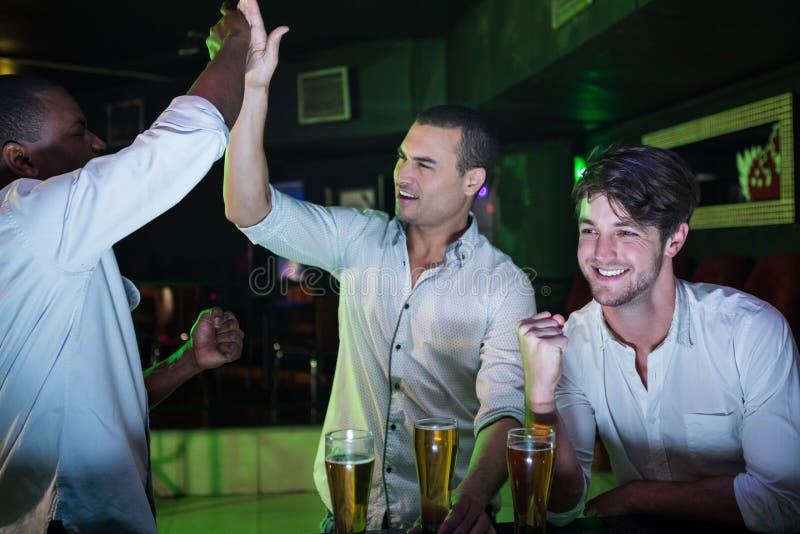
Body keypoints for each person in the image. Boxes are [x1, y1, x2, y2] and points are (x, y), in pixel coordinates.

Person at [222, 3, 534, 531]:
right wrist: (252, 91)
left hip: (445, 521)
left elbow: (504, 411)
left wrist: (472, 500)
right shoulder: (360, 238)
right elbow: (247, 208)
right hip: (346, 515)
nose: (402, 175)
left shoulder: (505, 286)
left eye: (424, 164)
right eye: (401, 157)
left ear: (471, 180)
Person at [0, 1, 266, 531]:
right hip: (64, 521)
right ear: (21, 160)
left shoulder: (46, 250)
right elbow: (177, 146)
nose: (98, 142)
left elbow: (96, 409)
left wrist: (187, 362)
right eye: (78, 132)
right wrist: (234, 43)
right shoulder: (28, 218)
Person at [517, 145, 800, 532]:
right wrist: (540, 399)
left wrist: (637, 496)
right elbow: (561, 505)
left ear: (674, 240)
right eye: (590, 230)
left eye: (626, 231)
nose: (601, 253)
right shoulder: (574, 340)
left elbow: (782, 503)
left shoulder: (750, 331)